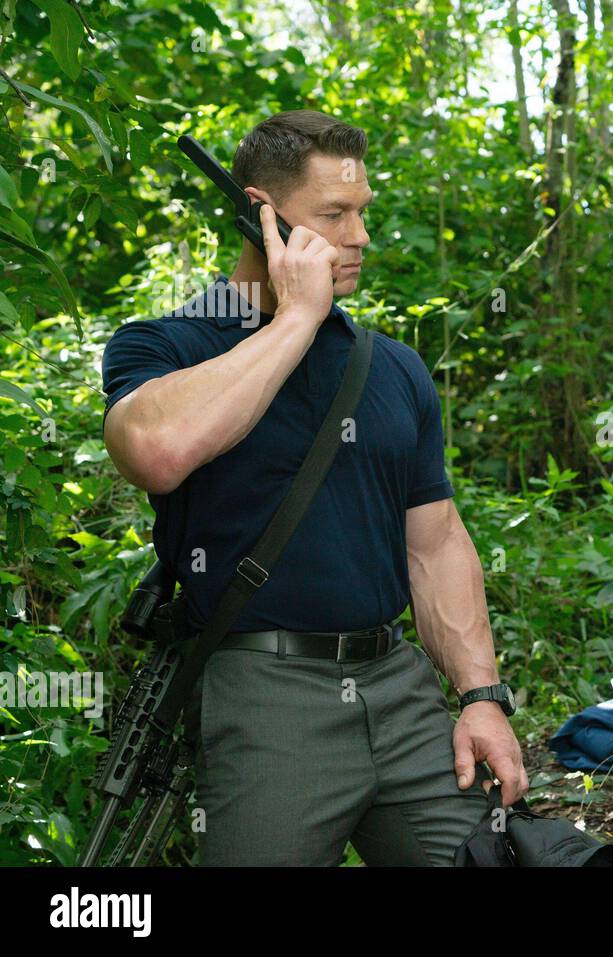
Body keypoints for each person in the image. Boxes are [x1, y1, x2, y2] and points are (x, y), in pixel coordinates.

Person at [101, 110, 526, 865]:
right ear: (259, 213)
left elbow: (435, 544)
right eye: (334, 215)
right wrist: (297, 316)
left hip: (400, 687)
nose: (360, 236)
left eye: (362, 212)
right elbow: (156, 450)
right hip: (266, 694)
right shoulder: (167, 344)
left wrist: (481, 697)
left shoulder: (392, 368)